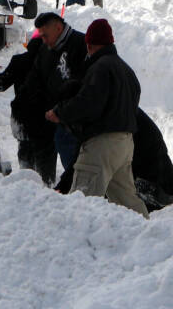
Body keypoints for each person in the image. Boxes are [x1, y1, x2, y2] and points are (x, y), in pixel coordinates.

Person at [46, 19, 149, 217]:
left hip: (101, 144)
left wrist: (60, 113)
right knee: (127, 202)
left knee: (81, 202)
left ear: (89, 44)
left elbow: (88, 103)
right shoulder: (126, 70)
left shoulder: (100, 68)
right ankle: (147, 235)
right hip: (125, 144)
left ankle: (74, 244)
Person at [19, 12, 87, 183]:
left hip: (72, 119)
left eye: (45, 35)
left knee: (75, 163)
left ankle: (77, 191)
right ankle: (47, 187)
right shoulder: (45, 49)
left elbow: (86, 83)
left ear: (58, 27)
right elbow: (35, 78)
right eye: (40, 35)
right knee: (45, 156)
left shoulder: (81, 44)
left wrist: (66, 108)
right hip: (49, 115)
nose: (43, 39)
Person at [0, 34, 56, 185]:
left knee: (25, 153)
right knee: (46, 157)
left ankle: (26, 184)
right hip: (46, 120)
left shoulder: (19, 61)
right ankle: (47, 185)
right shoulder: (53, 63)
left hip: (22, 119)